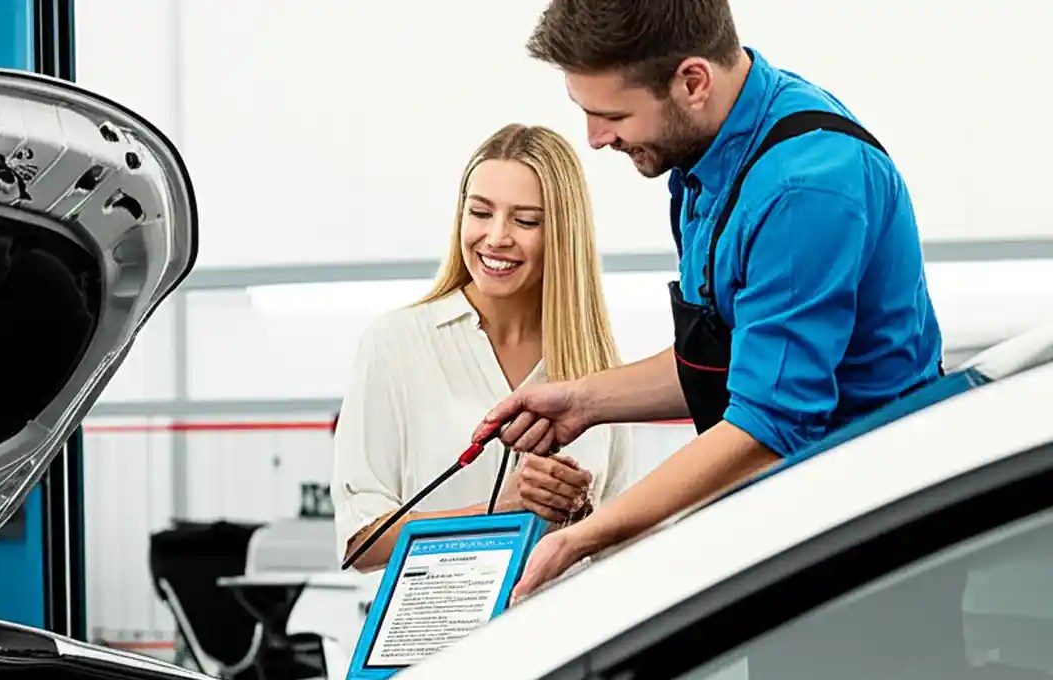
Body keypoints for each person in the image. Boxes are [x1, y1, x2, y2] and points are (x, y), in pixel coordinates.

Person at [478, 0, 945, 599]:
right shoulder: (715, 153)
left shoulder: (804, 188)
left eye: (611, 114)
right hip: (798, 516)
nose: (594, 140)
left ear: (692, 81)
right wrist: (584, 401)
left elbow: (767, 426)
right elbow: (738, 356)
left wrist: (585, 537)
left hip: (874, 551)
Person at [331, 123, 636, 572]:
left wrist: (577, 514)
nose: (496, 237)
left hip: (567, 636)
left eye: (526, 220)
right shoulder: (396, 345)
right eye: (480, 213)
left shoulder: (597, 367)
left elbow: (617, 545)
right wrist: (497, 513)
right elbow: (360, 543)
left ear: (564, 234)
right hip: (441, 638)